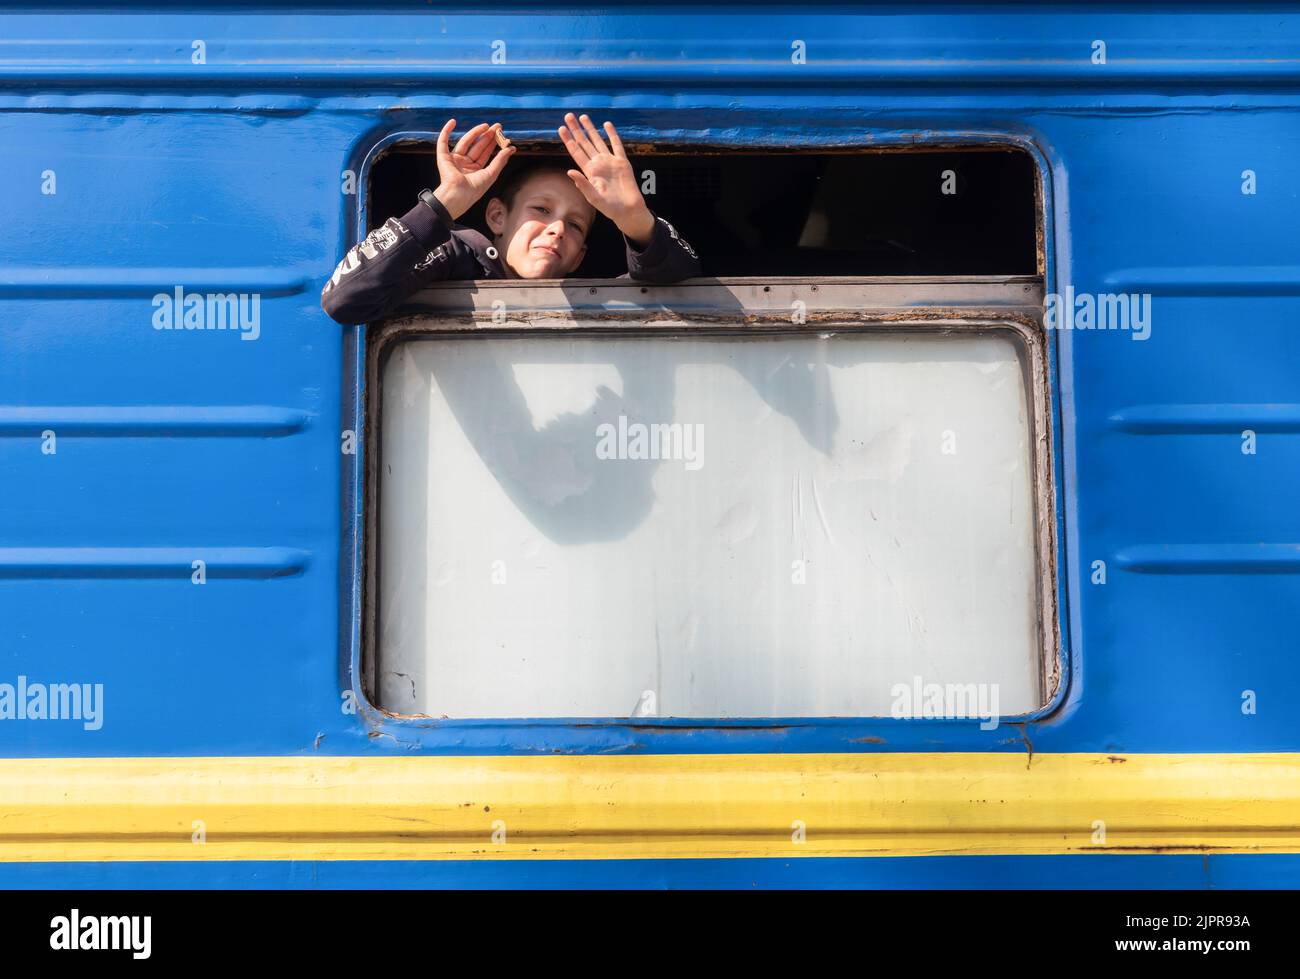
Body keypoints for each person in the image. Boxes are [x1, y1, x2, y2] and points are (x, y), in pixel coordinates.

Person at [321, 112, 701, 325]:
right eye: (541, 210)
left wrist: (636, 220)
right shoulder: (452, 256)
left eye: (575, 225)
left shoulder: (593, 301)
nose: (557, 228)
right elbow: (344, 300)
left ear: (579, 257)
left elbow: (680, 282)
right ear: (498, 216)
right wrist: (443, 203)